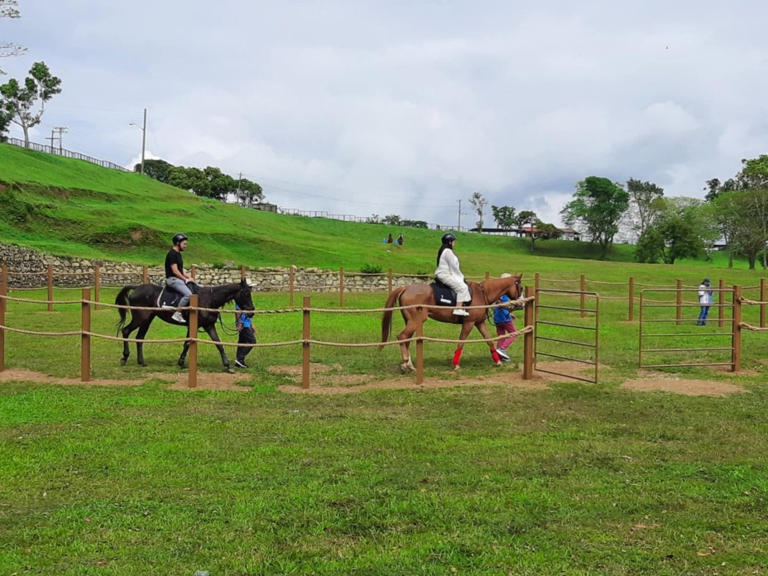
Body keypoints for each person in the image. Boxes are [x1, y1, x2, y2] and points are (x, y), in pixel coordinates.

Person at [434, 232, 470, 316]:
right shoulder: (448, 252)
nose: (454, 243)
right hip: (445, 275)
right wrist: (461, 277)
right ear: (449, 242)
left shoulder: (444, 250)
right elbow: (454, 267)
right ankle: (458, 308)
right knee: (462, 287)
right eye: (453, 241)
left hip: (445, 273)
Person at [165, 233, 193, 323]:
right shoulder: (172, 254)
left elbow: (181, 270)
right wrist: (185, 279)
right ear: (178, 243)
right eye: (184, 244)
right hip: (172, 280)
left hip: (178, 279)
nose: (185, 246)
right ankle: (178, 313)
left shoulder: (178, 254)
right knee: (188, 295)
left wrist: (190, 277)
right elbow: (175, 271)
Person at [493, 273, 518, 361]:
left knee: (501, 336)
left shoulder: (497, 292)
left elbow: (500, 306)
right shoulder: (504, 294)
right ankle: (502, 349)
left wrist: (510, 313)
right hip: (504, 318)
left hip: (497, 318)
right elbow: (503, 305)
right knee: (514, 334)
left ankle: (499, 355)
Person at [234, 302, 256, 368]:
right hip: (243, 325)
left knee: (242, 342)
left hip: (246, 323)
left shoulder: (246, 299)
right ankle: (240, 359)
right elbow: (237, 312)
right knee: (252, 341)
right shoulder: (239, 299)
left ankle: (239, 362)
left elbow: (247, 314)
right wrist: (239, 323)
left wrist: (251, 325)